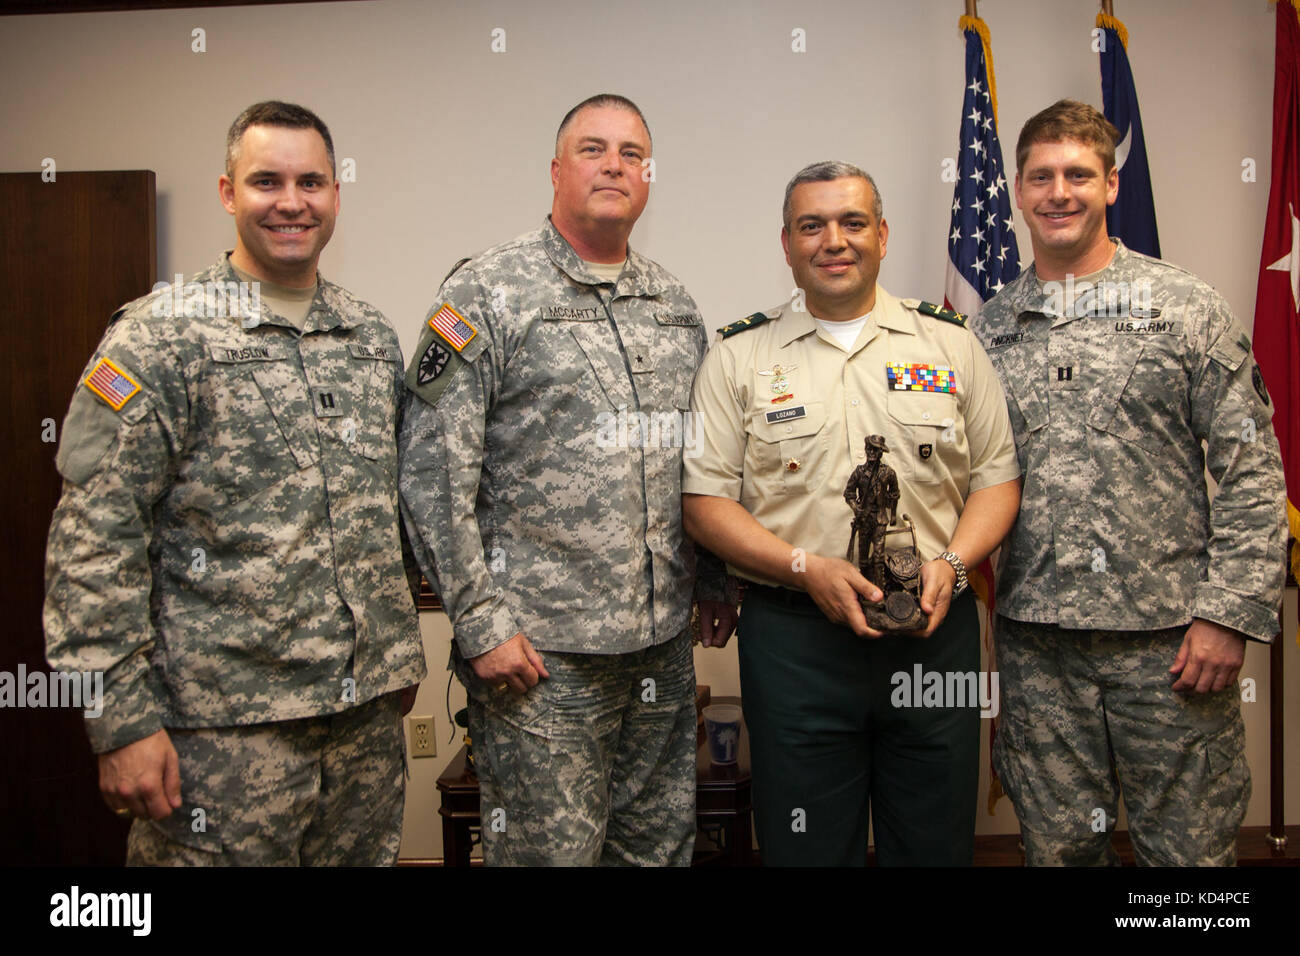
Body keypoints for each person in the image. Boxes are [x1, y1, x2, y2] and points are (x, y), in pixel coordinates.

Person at [43, 101, 426, 865]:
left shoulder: (371, 338)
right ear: (228, 193)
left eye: (311, 181)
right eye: (266, 181)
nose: (292, 201)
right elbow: (93, 540)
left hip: (361, 725)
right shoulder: (160, 337)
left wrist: (394, 660)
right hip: (220, 735)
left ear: (336, 195)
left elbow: (395, 512)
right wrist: (118, 722)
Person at [398, 93, 737, 866]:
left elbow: (701, 457)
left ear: (648, 177)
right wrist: (481, 624)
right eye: (593, 149)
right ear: (556, 170)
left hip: (658, 649)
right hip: (541, 659)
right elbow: (430, 468)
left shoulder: (676, 305)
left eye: (630, 153)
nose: (613, 165)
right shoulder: (487, 292)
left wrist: (714, 575)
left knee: (657, 852)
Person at [971, 99, 1287, 866]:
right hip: (1039, 650)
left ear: (1111, 185)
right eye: (1041, 176)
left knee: (1188, 864)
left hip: (1173, 648)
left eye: (1079, 174)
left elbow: (1252, 468)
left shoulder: (1185, 309)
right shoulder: (989, 329)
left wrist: (1228, 615)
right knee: (1056, 854)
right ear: (1016, 189)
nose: (1059, 192)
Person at [682, 161, 1022, 866]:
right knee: (804, 848)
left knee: (934, 846)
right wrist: (804, 568)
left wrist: (955, 564)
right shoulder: (739, 357)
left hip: (933, 631)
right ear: (787, 245)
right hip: (796, 642)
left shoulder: (950, 343)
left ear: (883, 235)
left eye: (852, 222)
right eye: (812, 225)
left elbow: (997, 479)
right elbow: (705, 502)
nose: (833, 240)